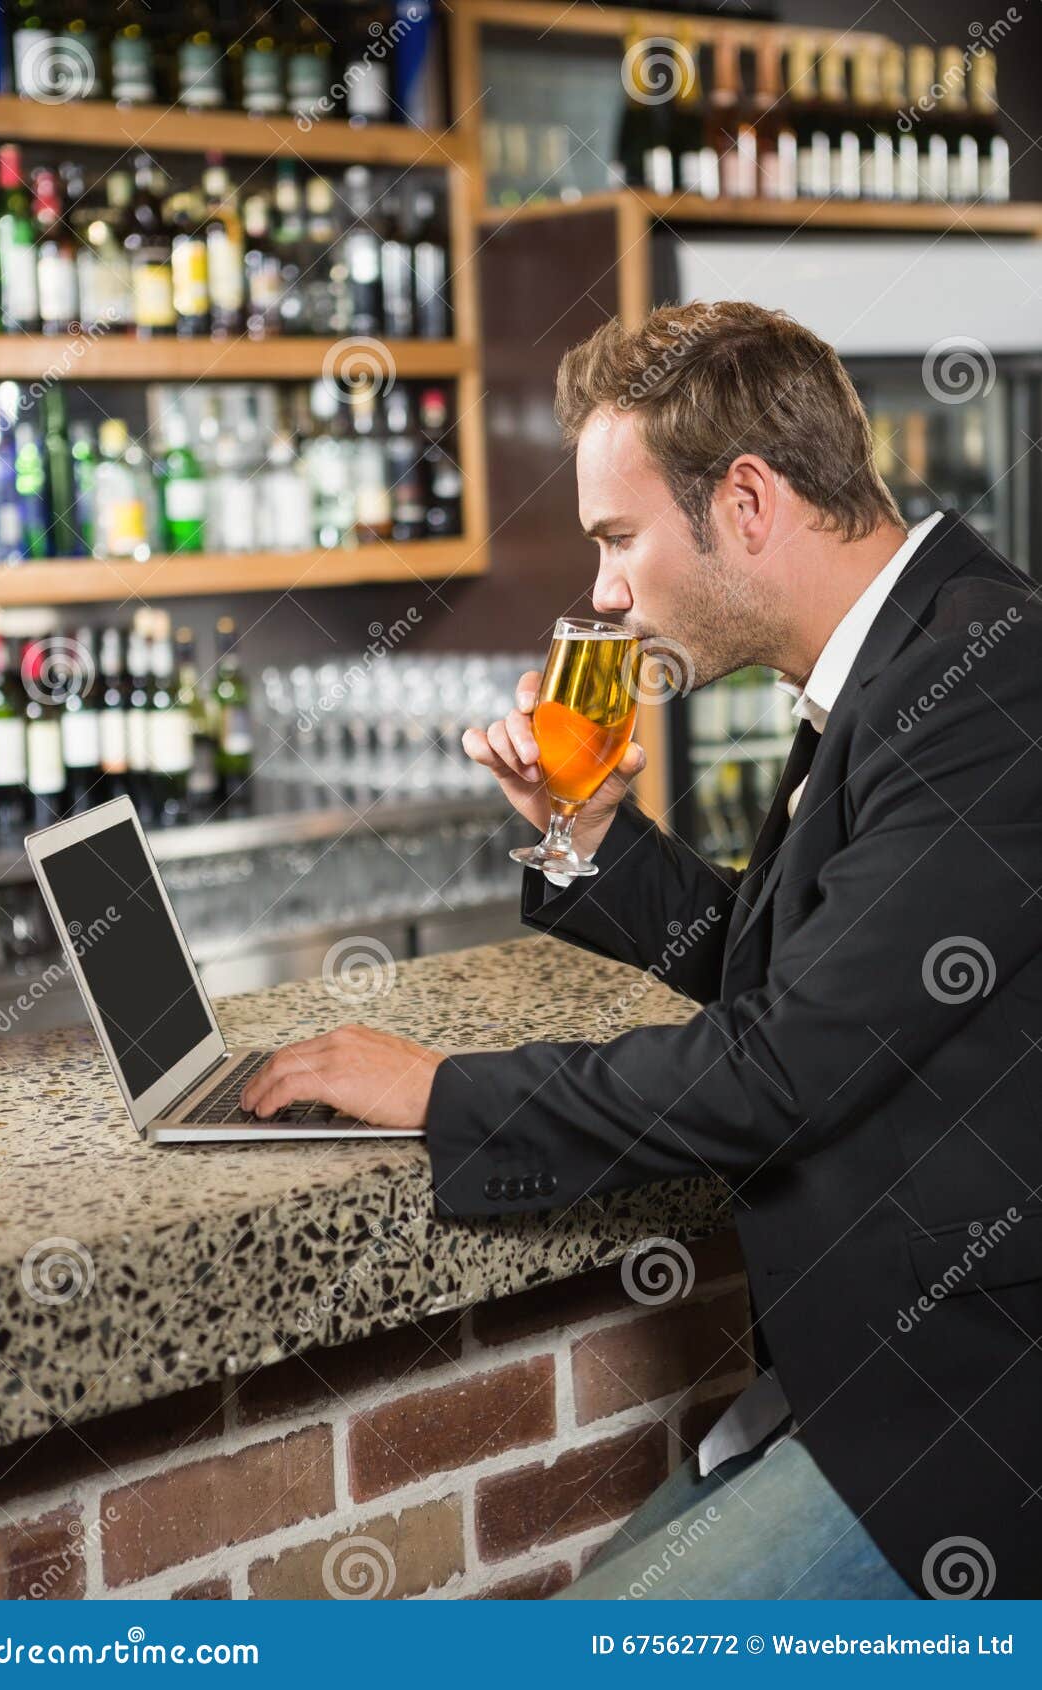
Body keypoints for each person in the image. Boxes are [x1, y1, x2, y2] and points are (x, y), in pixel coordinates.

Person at [242, 302, 1042, 1600]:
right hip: (849, 1386)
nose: (605, 593)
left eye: (617, 539)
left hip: (963, 1419)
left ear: (745, 500)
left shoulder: (986, 679)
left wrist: (440, 1091)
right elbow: (790, 977)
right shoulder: (899, 659)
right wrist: (592, 837)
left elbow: (782, 1067)